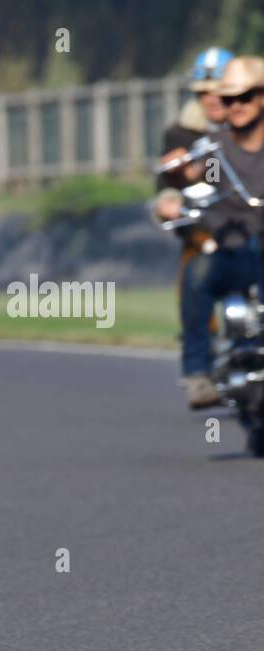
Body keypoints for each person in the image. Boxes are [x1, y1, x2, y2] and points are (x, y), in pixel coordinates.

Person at [156, 55, 264, 410]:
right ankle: (198, 373)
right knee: (197, 273)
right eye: (228, 99)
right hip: (231, 251)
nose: (235, 106)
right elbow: (196, 176)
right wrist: (175, 180)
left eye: (244, 97)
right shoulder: (216, 148)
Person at [154, 48, 233, 408]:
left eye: (223, 90)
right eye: (205, 92)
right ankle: (198, 371)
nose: (214, 99)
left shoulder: (252, 126)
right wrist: (169, 199)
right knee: (195, 281)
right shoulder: (180, 132)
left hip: (252, 227)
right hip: (205, 230)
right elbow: (167, 185)